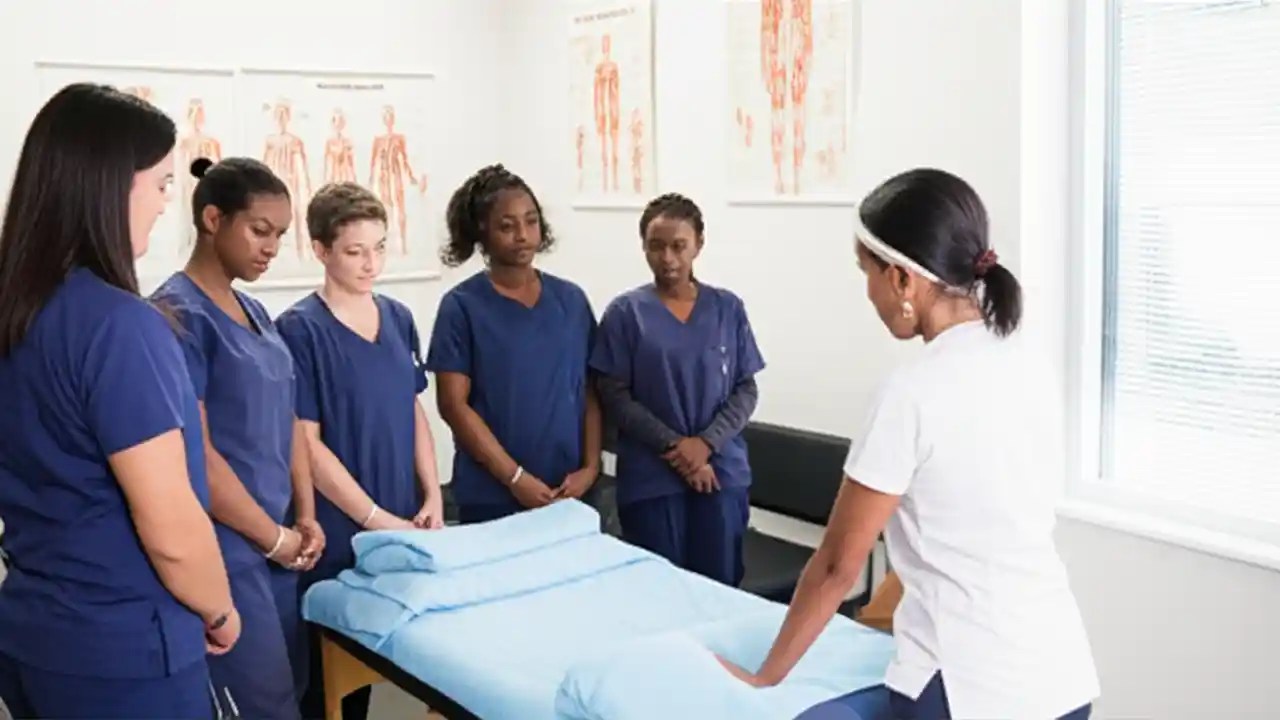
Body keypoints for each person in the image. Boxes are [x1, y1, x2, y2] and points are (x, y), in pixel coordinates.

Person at [715, 168, 1099, 719]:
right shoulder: (1027, 357)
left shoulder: (912, 391)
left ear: (901, 280)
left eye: (865, 272)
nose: (867, 290)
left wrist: (765, 677)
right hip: (1060, 675)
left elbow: (837, 567)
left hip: (969, 688)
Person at [0, 83, 239, 718]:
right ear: (108, 186)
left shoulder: (17, 314)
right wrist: (218, 607)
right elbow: (170, 529)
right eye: (161, 184)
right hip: (125, 651)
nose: (167, 205)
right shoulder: (120, 327)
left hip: (32, 633)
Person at [151, 157, 325, 720]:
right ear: (212, 219)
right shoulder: (178, 316)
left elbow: (290, 419)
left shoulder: (255, 311)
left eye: (279, 234)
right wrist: (271, 538)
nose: (271, 247)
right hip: (229, 552)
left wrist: (307, 514)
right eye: (258, 230)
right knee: (259, 705)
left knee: (293, 689)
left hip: (281, 545)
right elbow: (194, 455)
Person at [276, 182, 444, 720]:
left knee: (374, 670)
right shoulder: (299, 330)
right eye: (355, 251)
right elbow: (307, 443)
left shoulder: (397, 317)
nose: (371, 263)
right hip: (339, 522)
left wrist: (431, 493)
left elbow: (412, 407)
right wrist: (375, 518)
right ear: (321, 250)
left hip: (401, 510)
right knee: (326, 681)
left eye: (379, 247)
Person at [589, 193, 765, 587]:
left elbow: (745, 389)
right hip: (653, 478)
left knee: (721, 592)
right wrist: (677, 449)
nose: (667, 258)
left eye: (678, 246)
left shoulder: (727, 309)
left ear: (698, 245)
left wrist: (705, 445)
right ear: (643, 247)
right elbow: (614, 395)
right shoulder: (625, 314)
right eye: (656, 246)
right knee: (659, 591)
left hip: (721, 474)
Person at [427, 164, 602, 523]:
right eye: (507, 226)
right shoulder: (461, 307)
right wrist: (514, 477)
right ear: (482, 232)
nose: (522, 234)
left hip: (569, 490)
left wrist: (590, 466)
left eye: (531, 221)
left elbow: (591, 392)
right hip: (493, 495)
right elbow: (453, 405)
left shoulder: (571, 300)